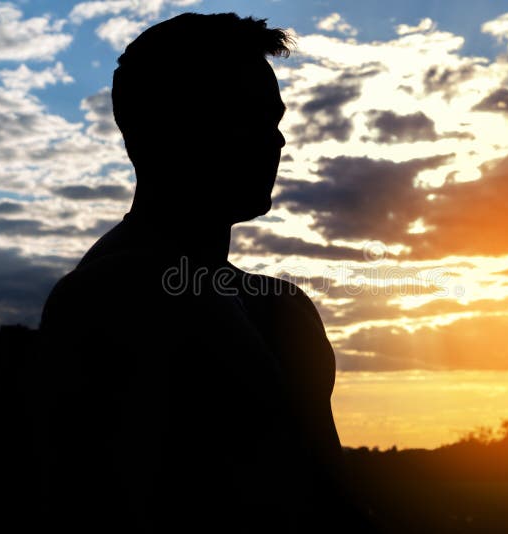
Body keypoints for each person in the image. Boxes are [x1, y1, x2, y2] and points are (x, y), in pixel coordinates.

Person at [38, 12, 374, 533]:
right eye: (243, 115)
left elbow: (332, 502)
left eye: (275, 118)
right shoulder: (113, 296)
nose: (275, 142)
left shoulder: (282, 306)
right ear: (158, 129)